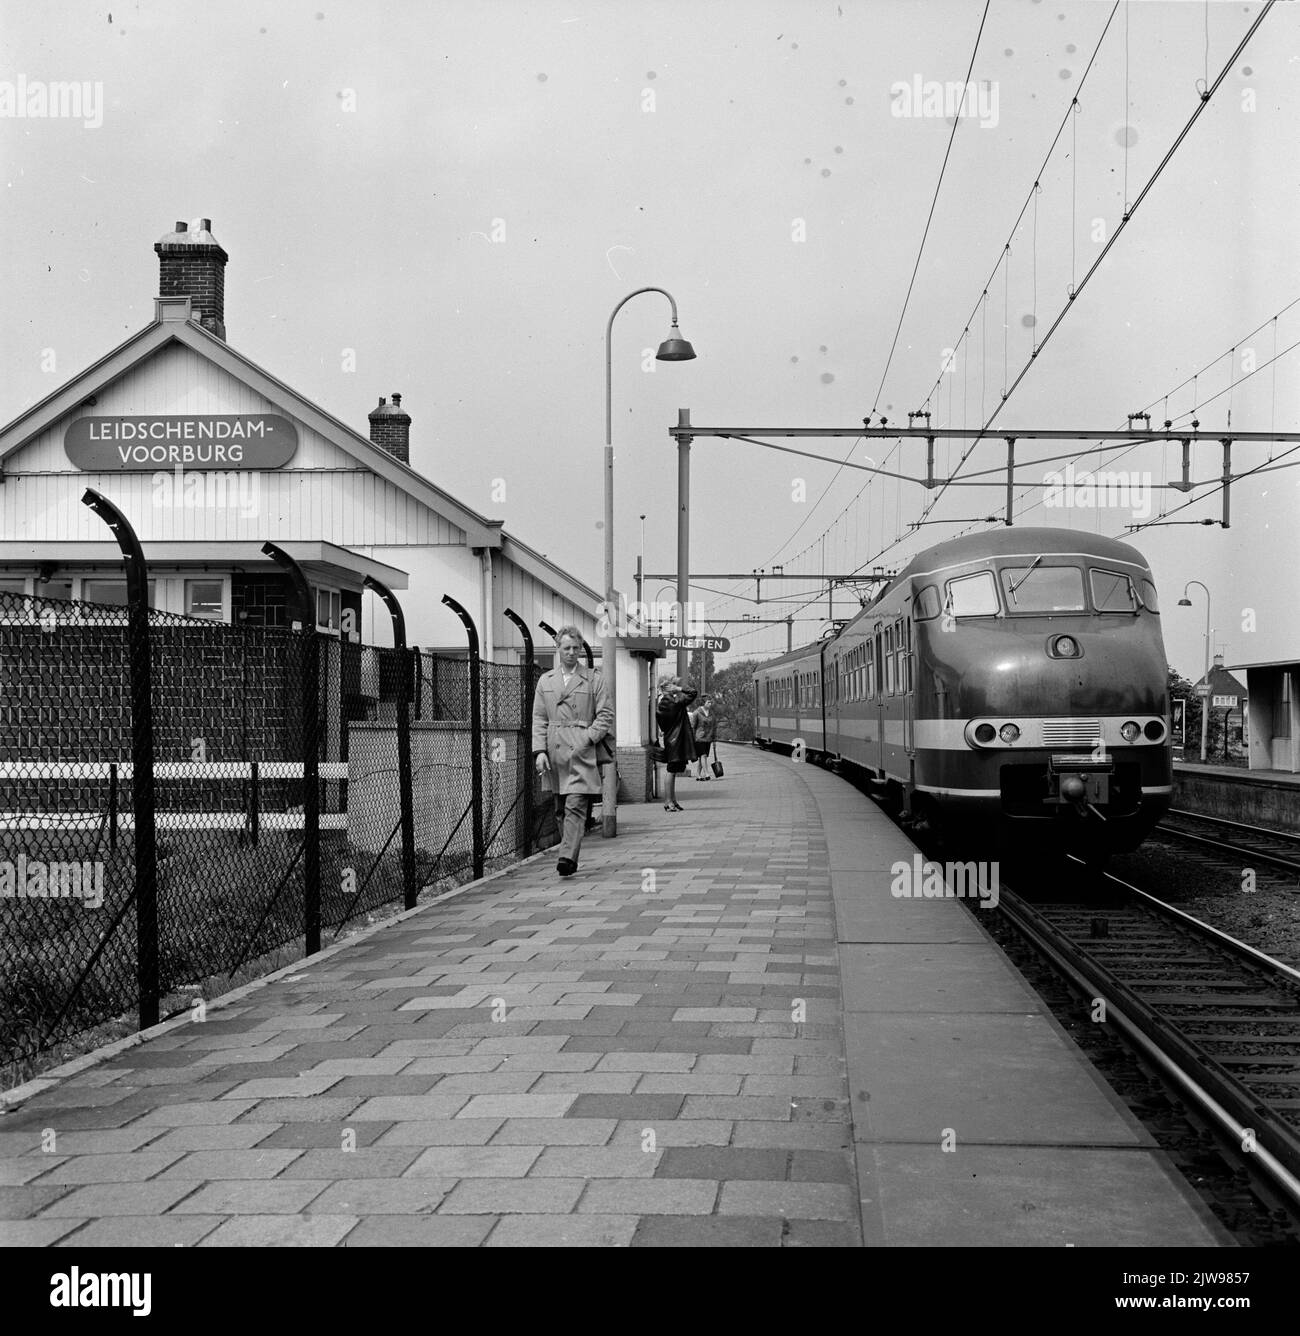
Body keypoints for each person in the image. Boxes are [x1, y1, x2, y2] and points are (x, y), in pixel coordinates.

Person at [532, 625, 613, 877]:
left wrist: (587, 737)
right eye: (566, 648)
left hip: (581, 751)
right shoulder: (546, 681)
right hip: (555, 751)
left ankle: (567, 857)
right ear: (558, 649)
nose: (571, 652)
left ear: (580, 650)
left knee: (576, 805)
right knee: (560, 807)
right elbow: (539, 718)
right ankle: (568, 848)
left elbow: (605, 714)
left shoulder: (593, 679)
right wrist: (539, 752)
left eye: (575, 648)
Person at [655, 674, 697, 812]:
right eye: (673, 685)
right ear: (668, 687)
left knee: (672, 771)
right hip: (676, 740)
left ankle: (672, 800)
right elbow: (693, 693)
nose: (676, 688)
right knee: (671, 771)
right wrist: (679, 688)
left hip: (672, 739)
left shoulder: (664, 703)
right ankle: (668, 801)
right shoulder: (671, 703)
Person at [689, 695, 716, 780]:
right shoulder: (696, 713)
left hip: (708, 738)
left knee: (702, 757)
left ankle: (698, 775)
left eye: (711, 702)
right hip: (699, 738)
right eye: (708, 702)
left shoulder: (711, 713)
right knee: (703, 755)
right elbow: (693, 727)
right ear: (703, 703)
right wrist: (692, 740)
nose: (710, 703)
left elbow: (714, 726)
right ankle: (707, 774)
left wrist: (714, 739)